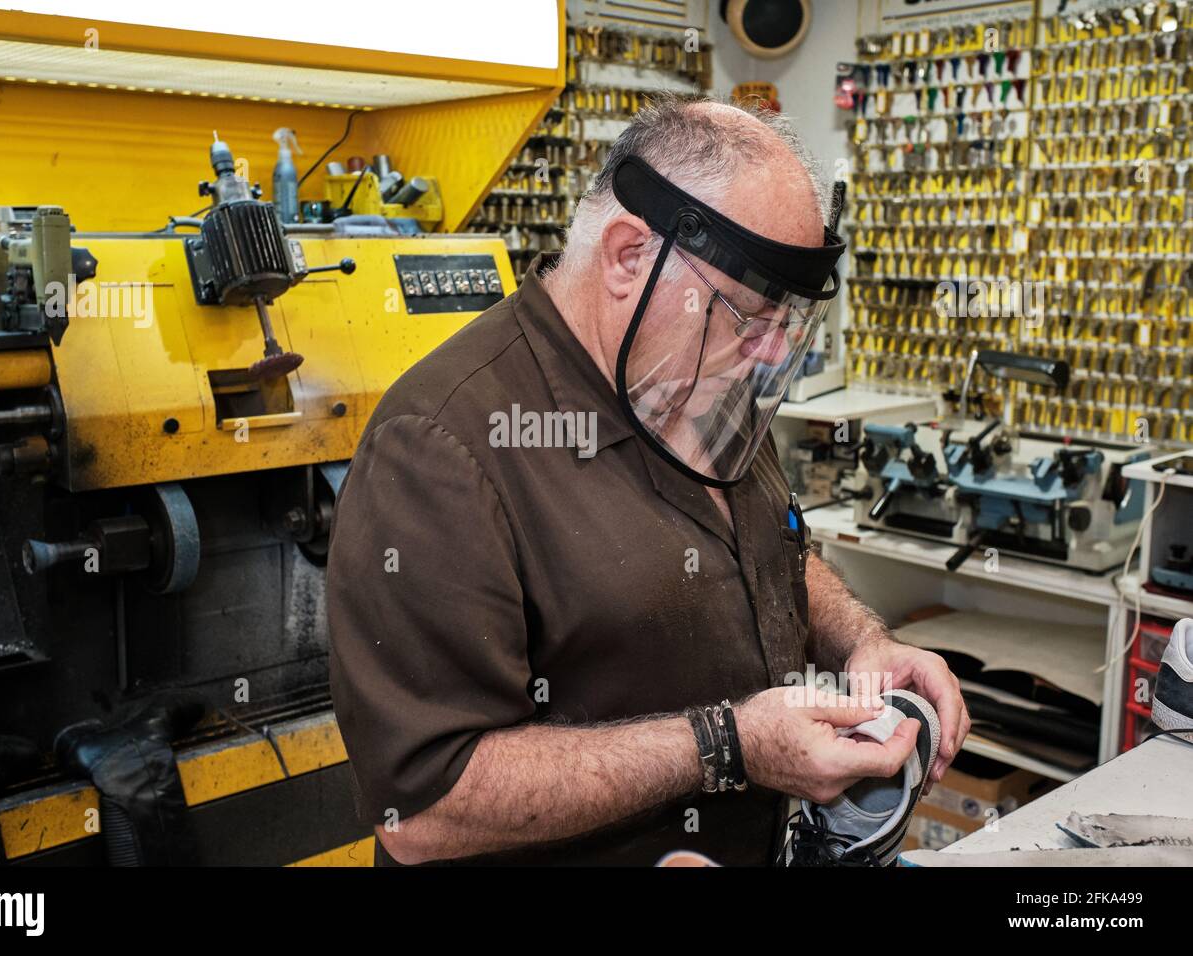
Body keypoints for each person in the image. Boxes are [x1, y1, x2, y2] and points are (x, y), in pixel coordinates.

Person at [326, 96, 970, 865]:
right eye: (749, 315)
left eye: (784, 324)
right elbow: (423, 809)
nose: (771, 354)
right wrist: (728, 745)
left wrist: (862, 643)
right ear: (630, 256)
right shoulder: (441, 446)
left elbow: (770, 552)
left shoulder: (697, 379)